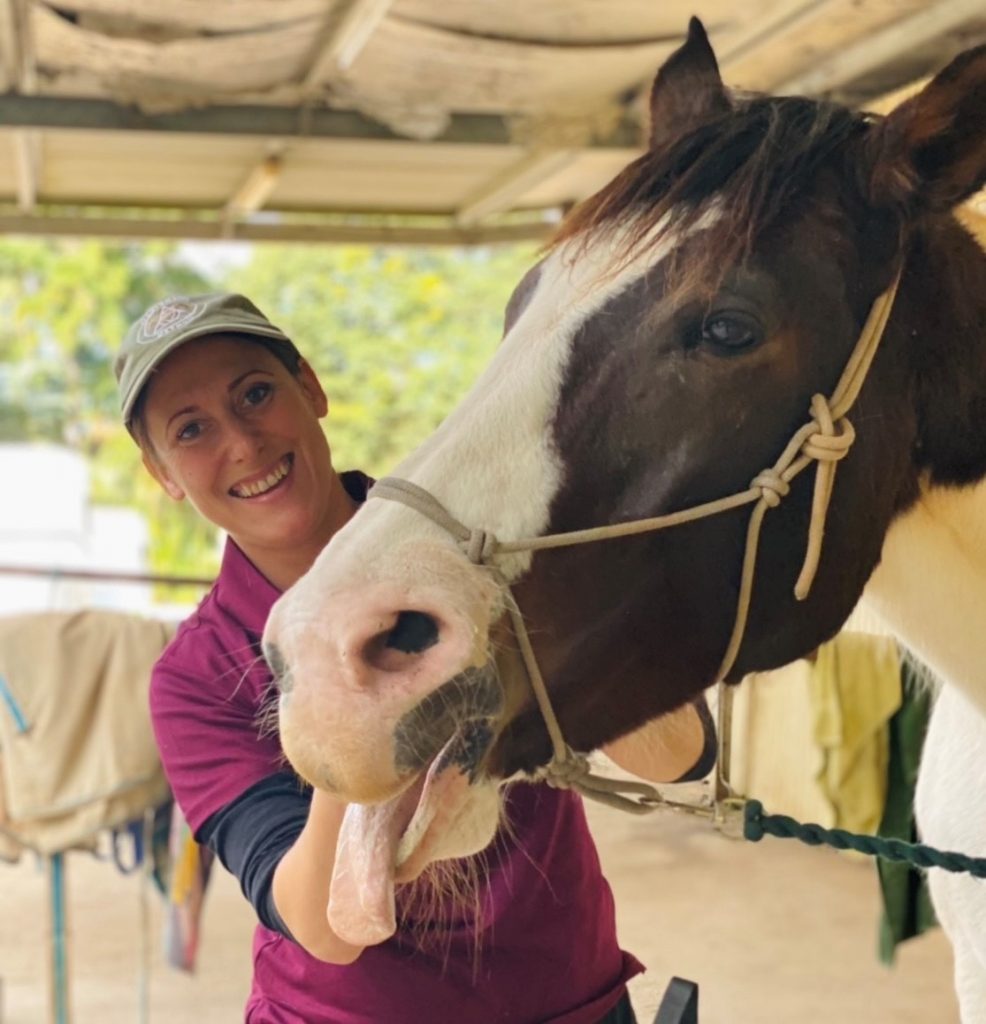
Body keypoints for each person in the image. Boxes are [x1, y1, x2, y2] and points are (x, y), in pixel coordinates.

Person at [115, 293, 717, 1024]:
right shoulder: (195, 678)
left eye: (256, 393)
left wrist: (551, 602)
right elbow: (323, 930)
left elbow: (680, 759)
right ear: (164, 476)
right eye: (192, 430)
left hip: (573, 1003)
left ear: (310, 388)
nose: (242, 443)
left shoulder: (478, 539)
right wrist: (346, 678)